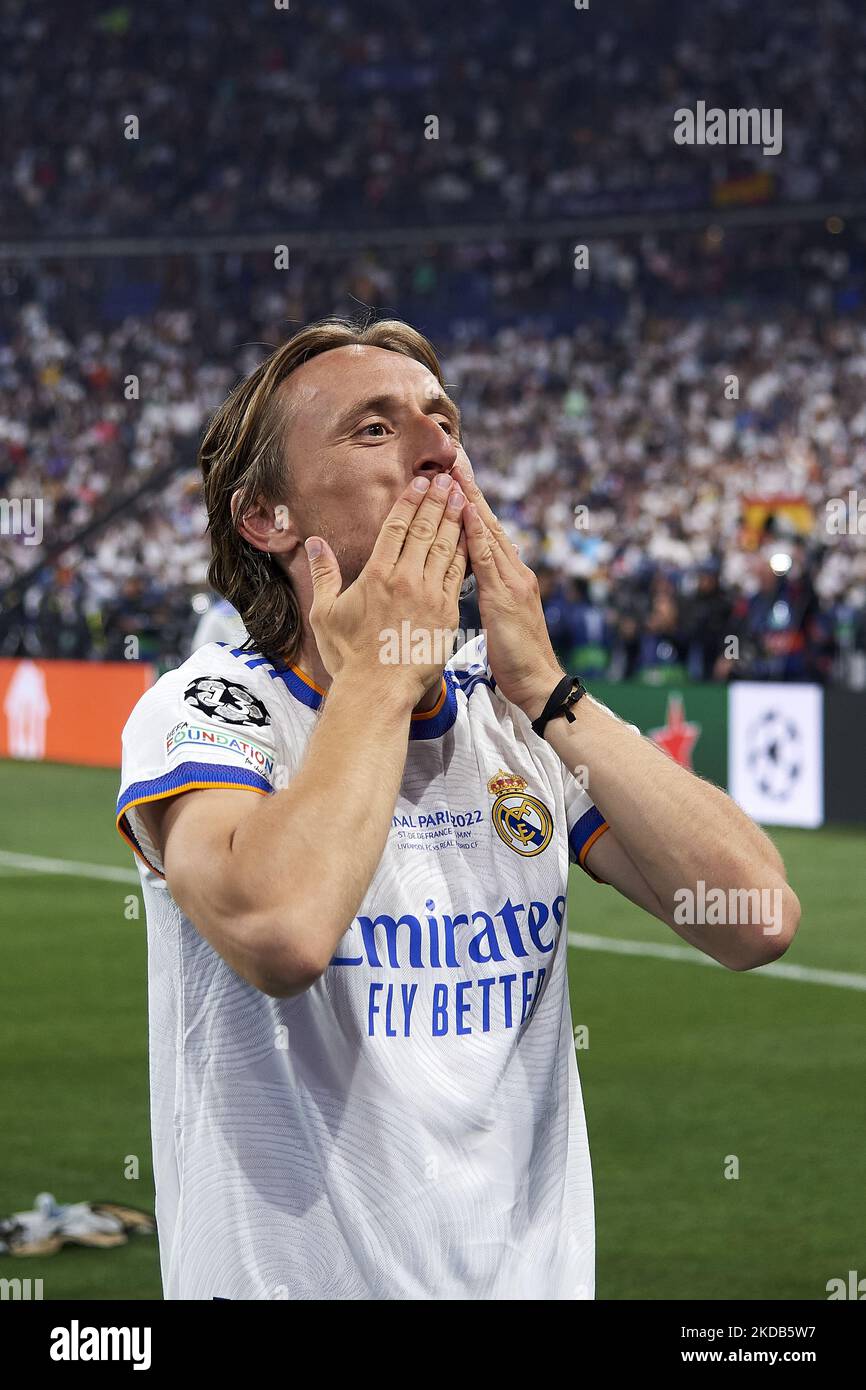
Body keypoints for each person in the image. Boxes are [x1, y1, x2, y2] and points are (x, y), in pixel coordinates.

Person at [115, 316, 800, 1301]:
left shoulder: (514, 717)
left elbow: (754, 920)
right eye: (373, 428)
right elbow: (282, 928)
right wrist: (379, 678)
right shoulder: (212, 711)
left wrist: (550, 689)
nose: (437, 444)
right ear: (265, 516)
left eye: (443, 419)